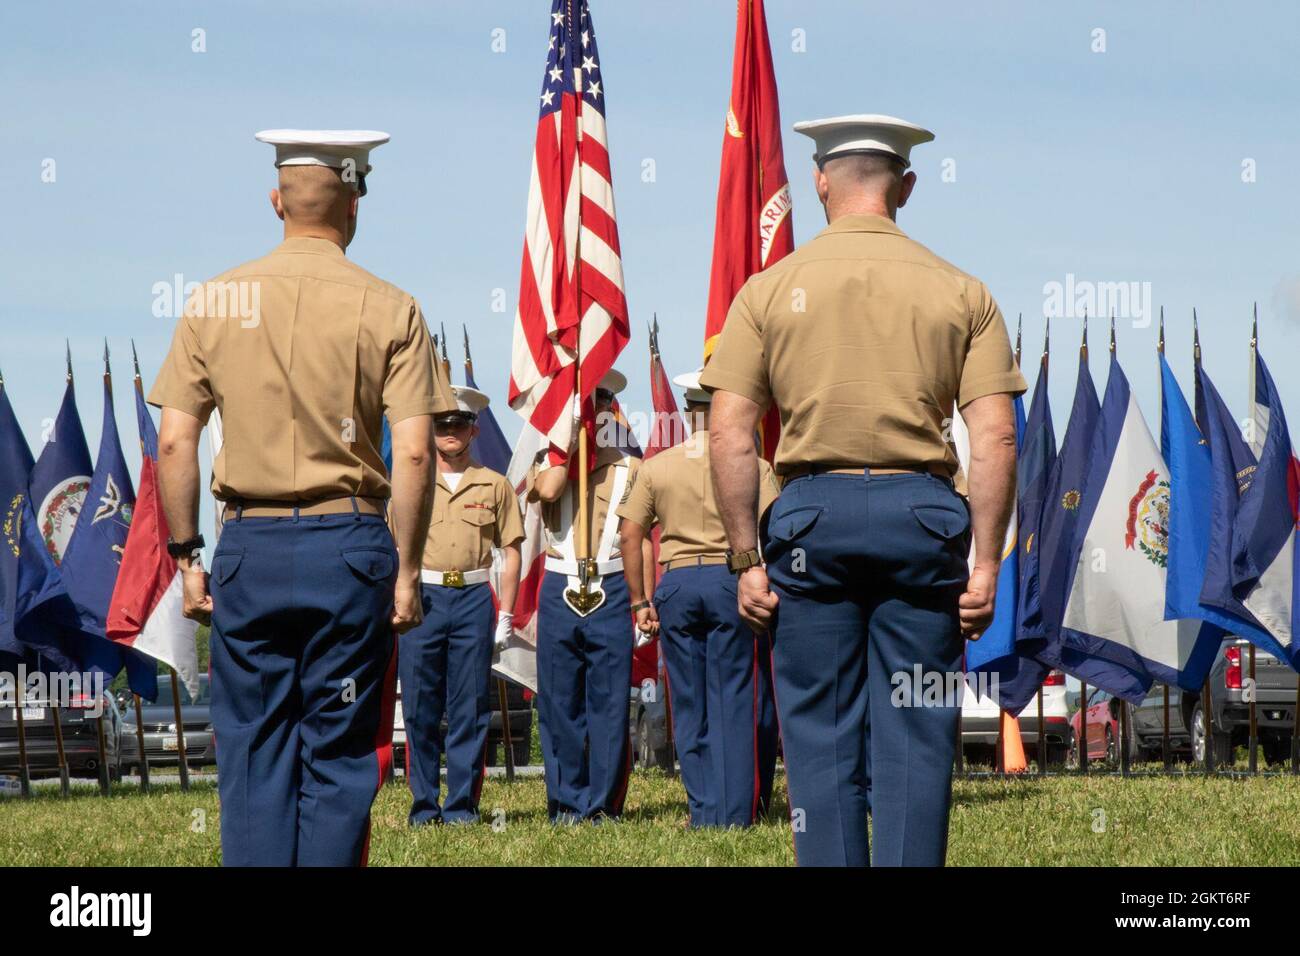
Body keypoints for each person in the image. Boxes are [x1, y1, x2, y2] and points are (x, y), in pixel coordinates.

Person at [700, 114, 1024, 866]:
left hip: (812, 525)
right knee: (916, 729)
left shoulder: (766, 289)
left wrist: (746, 557)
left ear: (820, 181)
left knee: (819, 739)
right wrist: (985, 566)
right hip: (923, 524)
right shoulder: (962, 291)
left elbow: (729, 432)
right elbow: (996, 437)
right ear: (906, 186)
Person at [150, 129, 455, 866]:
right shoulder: (392, 306)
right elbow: (415, 449)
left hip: (248, 549)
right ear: (353, 206)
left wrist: (188, 556)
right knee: (341, 748)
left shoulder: (213, 301)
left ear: (275, 202)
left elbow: (173, 442)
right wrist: (409, 572)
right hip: (348, 550)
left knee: (253, 745)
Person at [616, 367, 781, 827]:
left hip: (679, 585)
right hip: (734, 579)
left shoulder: (656, 467)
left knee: (688, 703)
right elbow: (773, 530)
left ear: (689, 413)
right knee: (736, 700)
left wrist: (639, 602)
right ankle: (736, 813)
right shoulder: (755, 465)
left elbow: (631, 535)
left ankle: (703, 811)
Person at [398, 385, 524, 826]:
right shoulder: (408, 481)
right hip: (424, 598)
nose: (450, 431)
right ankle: (423, 806)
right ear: (430, 430)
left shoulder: (495, 484)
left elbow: (511, 551)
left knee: (469, 706)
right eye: (441, 424)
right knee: (419, 706)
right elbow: (393, 546)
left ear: (473, 430)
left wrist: (506, 613)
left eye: (458, 424)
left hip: (473, 599)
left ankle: (462, 808)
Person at [527, 369, 649, 822]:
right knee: (559, 702)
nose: (590, 411)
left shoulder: (631, 467)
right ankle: (566, 801)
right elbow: (550, 491)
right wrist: (566, 448)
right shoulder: (547, 460)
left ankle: (604, 804)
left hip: (612, 583)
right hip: (561, 583)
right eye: (580, 401)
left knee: (610, 701)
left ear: (607, 409)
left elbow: (643, 540)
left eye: (597, 402)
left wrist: (644, 602)